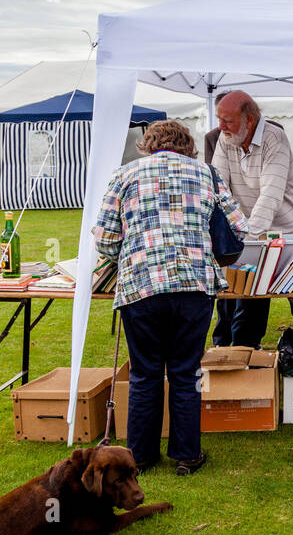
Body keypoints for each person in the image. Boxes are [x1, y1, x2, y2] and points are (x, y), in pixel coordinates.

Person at [93, 120, 247, 476]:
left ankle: (141, 457)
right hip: (194, 286)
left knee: (145, 373)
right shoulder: (207, 173)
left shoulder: (126, 174)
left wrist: (131, 247)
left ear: (148, 144)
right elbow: (240, 227)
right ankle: (187, 455)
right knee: (186, 372)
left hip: (141, 285)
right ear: (187, 145)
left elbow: (103, 237)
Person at [210, 90, 293, 348]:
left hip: (289, 232)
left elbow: (270, 196)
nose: (221, 126)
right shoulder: (227, 139)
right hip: (250, 232)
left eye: (228, 120)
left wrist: (244, 240)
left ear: (249, 120)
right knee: (249, 298)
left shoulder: (274, 138)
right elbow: (218, 188)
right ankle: (244, 354)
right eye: (219, 119)